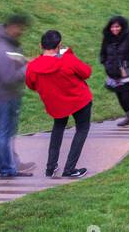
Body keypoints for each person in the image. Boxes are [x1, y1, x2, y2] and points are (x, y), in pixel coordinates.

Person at [25, 30, 93, 178]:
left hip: (57, 104)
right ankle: (69, 169)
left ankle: (50, 167)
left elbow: (31, 85)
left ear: (40, 45)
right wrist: (69, 54)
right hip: (79, 100)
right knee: (82, 130)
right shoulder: (67, 59)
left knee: (58, 128)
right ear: (59, 45)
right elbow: (86, 72)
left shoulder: (33, 67)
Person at [0, 14, 34, 179]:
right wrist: (28, 67)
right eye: (20, 28)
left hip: (3, 96)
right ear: (11, 26)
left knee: (6, 133)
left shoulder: (4, 43)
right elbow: (9, 77)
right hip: (2, 97)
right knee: (3, 134)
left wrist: (23, 61)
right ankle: (7, 170)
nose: (21, 32)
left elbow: (10, 63)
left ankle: (11, 166)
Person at [100, 15, 129, 127]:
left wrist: (128, 62)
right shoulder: (107, 38)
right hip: (113, 73)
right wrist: (106, 64)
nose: (114, 29)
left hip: (126, 72)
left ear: (122, 27)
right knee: (119, 96)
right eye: (112, 27)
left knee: (127, 97)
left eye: (117, 27)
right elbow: (103, 54)